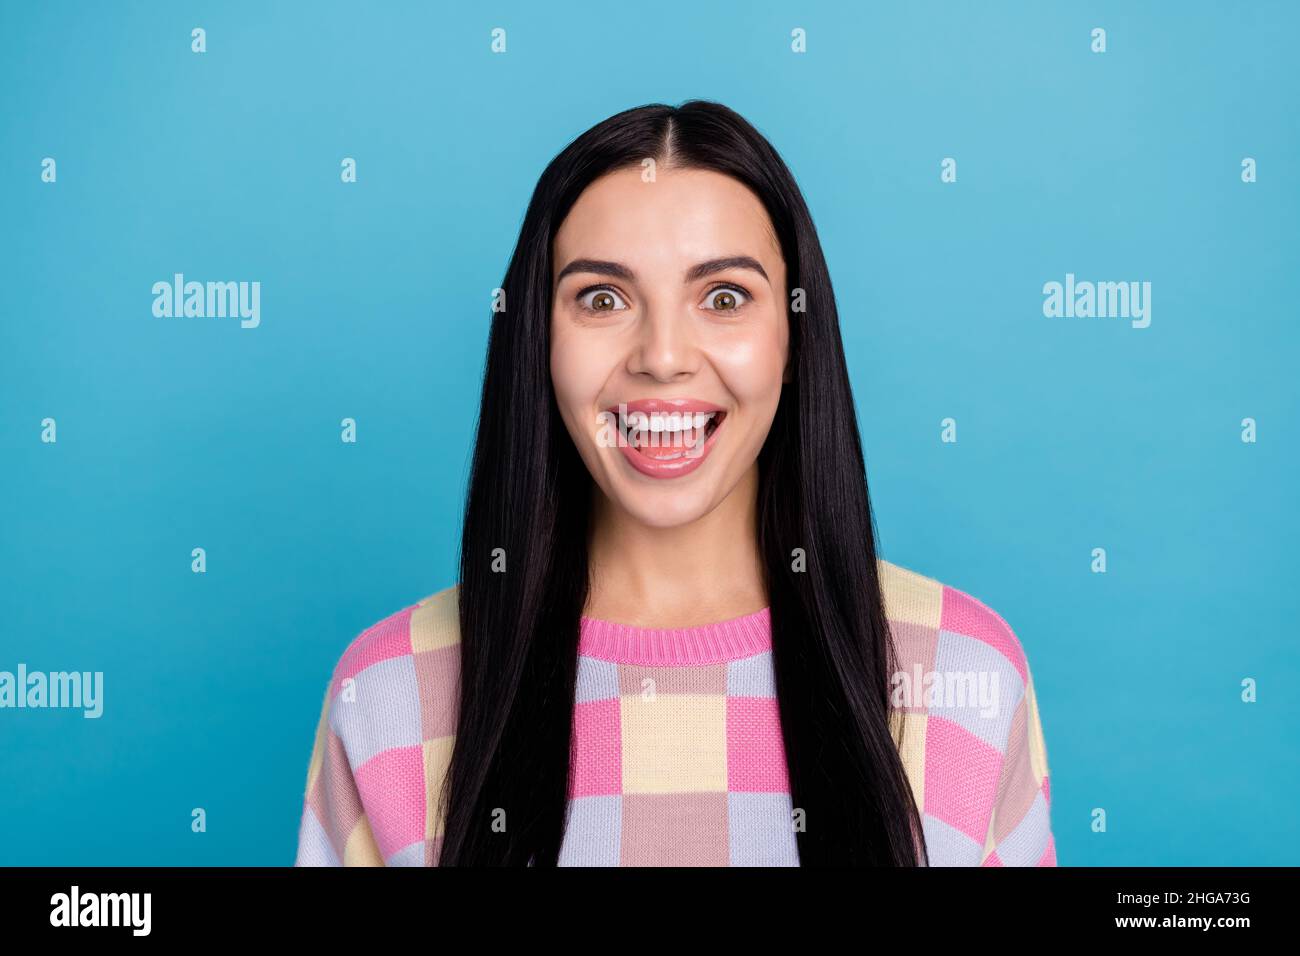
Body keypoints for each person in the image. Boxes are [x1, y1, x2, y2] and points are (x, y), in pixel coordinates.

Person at [294, 100, 1056, 867]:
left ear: (794, 337)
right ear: (539, 341)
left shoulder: (963, 672)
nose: (662, 357)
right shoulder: (387, 691)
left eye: (724, 297)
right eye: (602, 298)